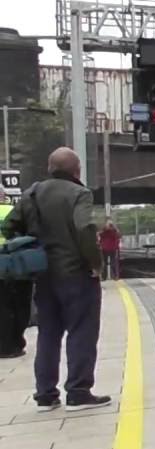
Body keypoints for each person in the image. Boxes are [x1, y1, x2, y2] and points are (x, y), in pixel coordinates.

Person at [2, 148, 111, 413]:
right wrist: (95, 264)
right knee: (81, 331)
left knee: (48, 334)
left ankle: (45, 395)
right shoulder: (79, 193)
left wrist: (31, 245)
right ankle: (78, 392)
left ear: (50, 168)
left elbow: (7, 227)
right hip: (76, 275)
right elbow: (85, 228)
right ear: (77, 171)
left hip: (43, 275)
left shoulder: (32, 193)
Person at [0, 190, 33, 358]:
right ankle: (15, 342)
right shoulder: (11, 212)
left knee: (3, 306)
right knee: (20, 304)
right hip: (15, 265)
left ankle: (4, 344)